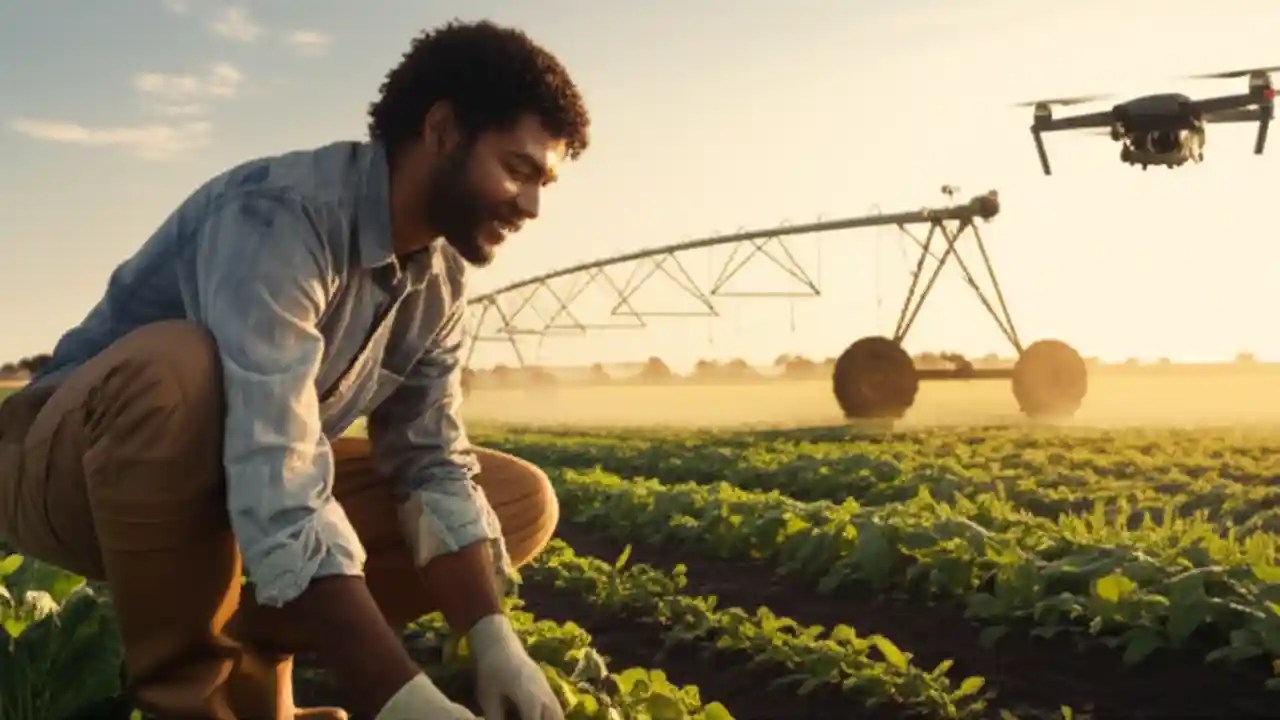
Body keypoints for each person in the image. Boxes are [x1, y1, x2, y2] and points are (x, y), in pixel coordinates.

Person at [0, 18, 589, 720]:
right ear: (441, 130)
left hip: (223, 488)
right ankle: (190, 702)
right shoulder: (281, 218)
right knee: (175, 371)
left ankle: (257, 645)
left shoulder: (440, 282)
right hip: (66, 470)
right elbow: (276, 472)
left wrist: (496, 643)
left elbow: (429, 460)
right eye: (518, 169)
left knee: (517, 499)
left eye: (543, 182)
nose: (531, 206)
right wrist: (401, 702)